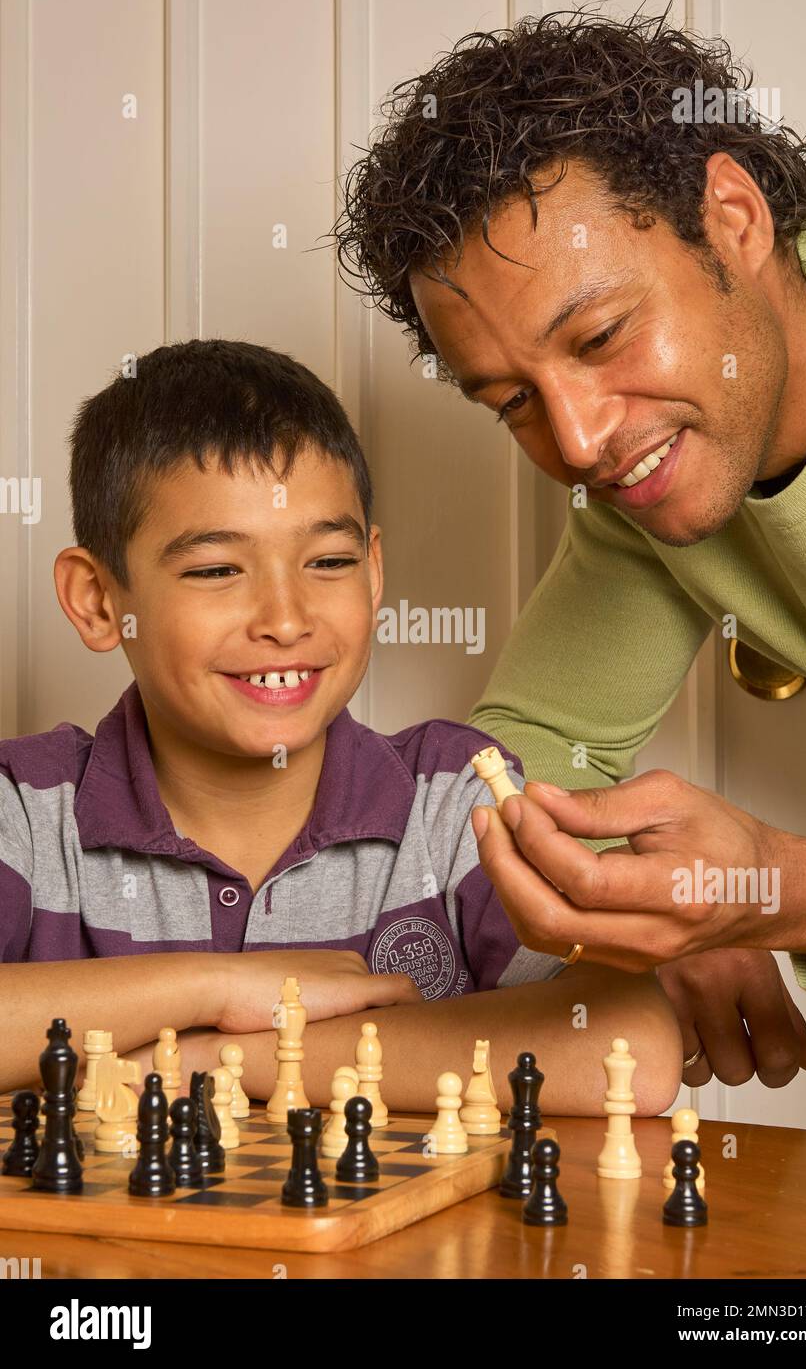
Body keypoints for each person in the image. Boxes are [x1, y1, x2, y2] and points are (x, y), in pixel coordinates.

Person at [333, 6, 806, 1091]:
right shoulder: (650, 484)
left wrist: (787, 890)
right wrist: (622, 899)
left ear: (732, 217)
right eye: (511, 400)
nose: (573, 441)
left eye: (601, 337)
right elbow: (526, 745)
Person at [0, 338, 681, 1114]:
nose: (286, 620)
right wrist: (217, 985)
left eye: (328, 562)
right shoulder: (25, 806)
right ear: (96, 600)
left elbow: (630, 1046)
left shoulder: (451, 801)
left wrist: (210, 1056)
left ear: (375, 572)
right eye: (217, 570)